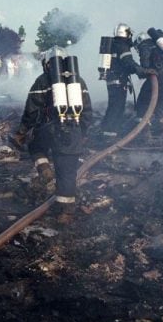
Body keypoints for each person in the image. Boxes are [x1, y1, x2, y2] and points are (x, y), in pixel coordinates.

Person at [9, 46, 93, 223]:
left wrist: (22, 131)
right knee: (67, 173)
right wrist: (82, 133)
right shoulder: (79, 82)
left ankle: (45, 169)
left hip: (49, 130)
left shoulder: (43, 80)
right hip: (73, 132)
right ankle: (67, 212)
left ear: (46, 64)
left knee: (35, 146)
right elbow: (87, 112)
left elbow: (31, 110)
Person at [98, 23, 153, 138]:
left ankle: (105, 132)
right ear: (126, 34)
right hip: (119, 82)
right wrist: (142, 71)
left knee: (113, 106)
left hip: (113, 81)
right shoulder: (122, 46)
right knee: (117, 108)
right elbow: (128, 62)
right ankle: (110, 135)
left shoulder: (114, 44)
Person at [133, 28, 163, 140]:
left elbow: (145, 64)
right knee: (162, 105)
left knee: (142, 102)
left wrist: (144, 70)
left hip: (159, 76)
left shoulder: (145, 45)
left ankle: (145, 134)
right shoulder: (160, 47)